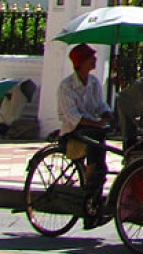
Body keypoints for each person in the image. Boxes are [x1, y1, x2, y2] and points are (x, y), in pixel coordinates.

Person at [57, 44, 112, 198]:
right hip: (72, 131)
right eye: (90, 58)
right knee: (96, 135)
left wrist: (108, 114)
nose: (94, 60)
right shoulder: (66, 86)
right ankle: (91, 173)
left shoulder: (94, 82)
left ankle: (97, 172)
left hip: (91, 129)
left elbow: (100, 105)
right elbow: (72, 116)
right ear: (80, 63)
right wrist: (96, 123)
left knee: (100, 134)